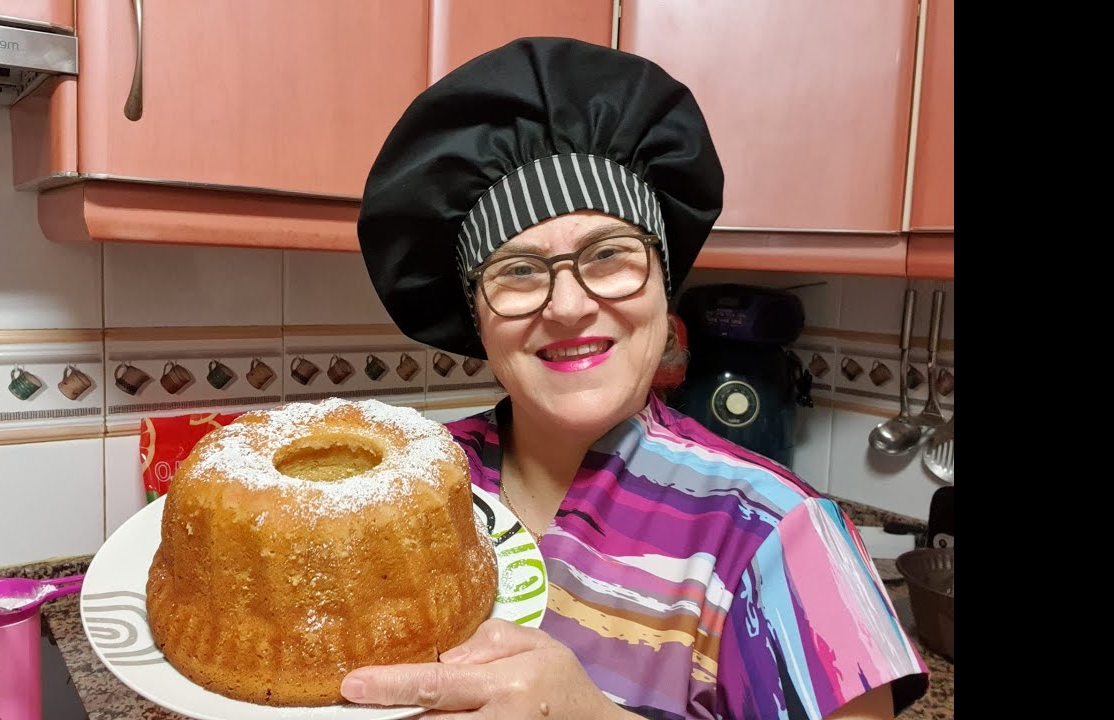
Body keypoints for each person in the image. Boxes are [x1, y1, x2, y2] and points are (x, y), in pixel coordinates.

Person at [349, 38, 930, 720]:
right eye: (516, 270)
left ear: (664, 284)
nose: (567, 306)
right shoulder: (407, 488)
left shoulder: (783, 535)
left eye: (610, 255)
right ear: (475, 316)